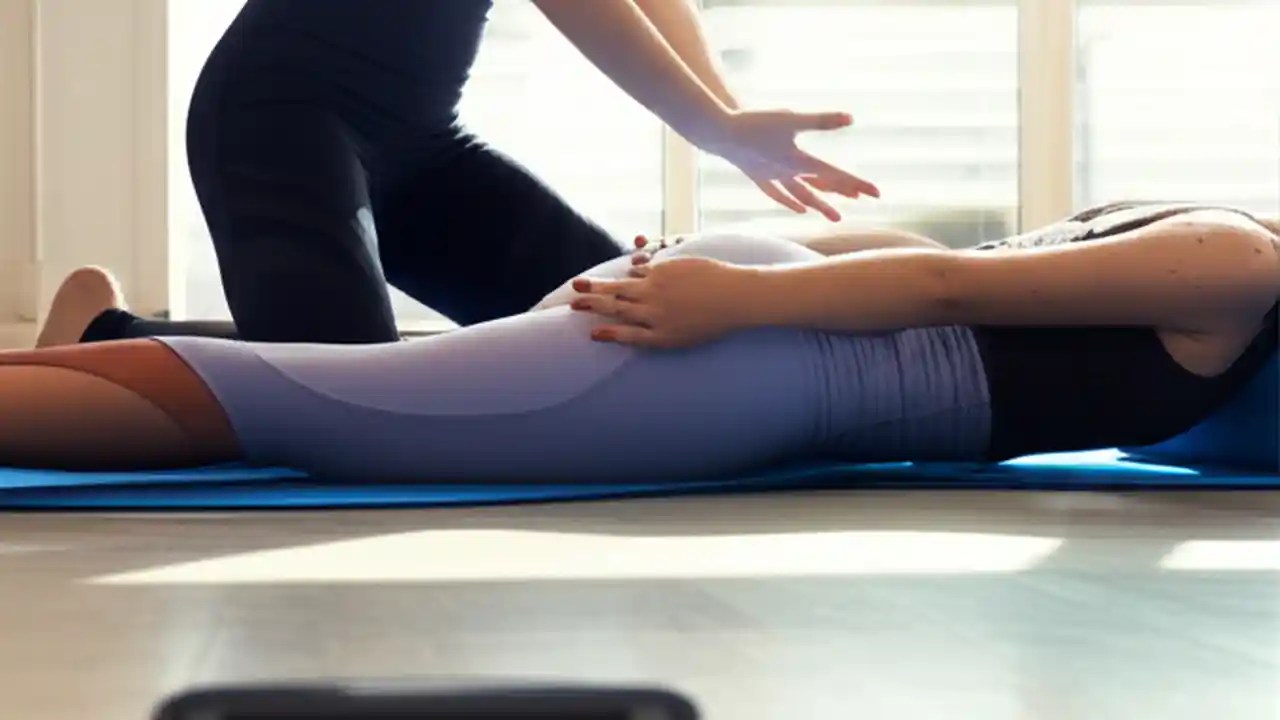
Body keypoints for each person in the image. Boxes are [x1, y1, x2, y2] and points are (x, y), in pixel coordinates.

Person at [6, 202, 1278, 481]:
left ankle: (100, 336)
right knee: (292, 403)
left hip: (765, 332)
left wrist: (728, 281)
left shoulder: (1226, 238)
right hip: (755, 357)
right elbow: (949, 286)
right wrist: (725, 298)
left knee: (340, 391)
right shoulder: (1241, 264)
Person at [57, 0, 878, 349]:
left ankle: (110, 333)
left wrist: (727, 125)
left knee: (611, 331)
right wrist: (714, 125)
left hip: (423, 151)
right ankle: (106, 339)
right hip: (280, 124)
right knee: (344, 405)